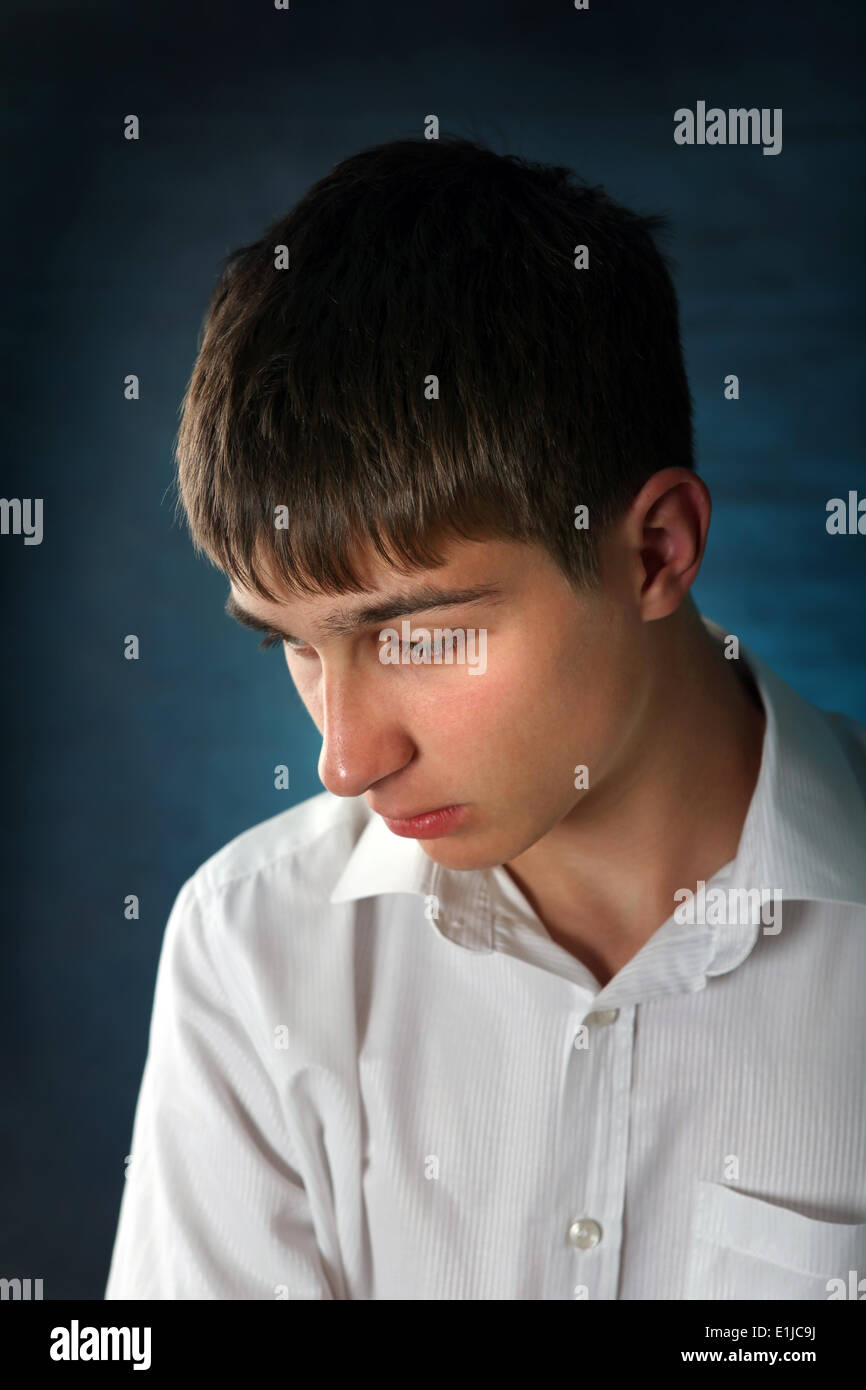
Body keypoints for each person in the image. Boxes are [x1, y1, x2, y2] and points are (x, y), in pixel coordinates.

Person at [105, 135, 866, 1301]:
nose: (347, 759)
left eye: (417, 635)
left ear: (654, 551)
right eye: (292, 645)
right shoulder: (251, 950)